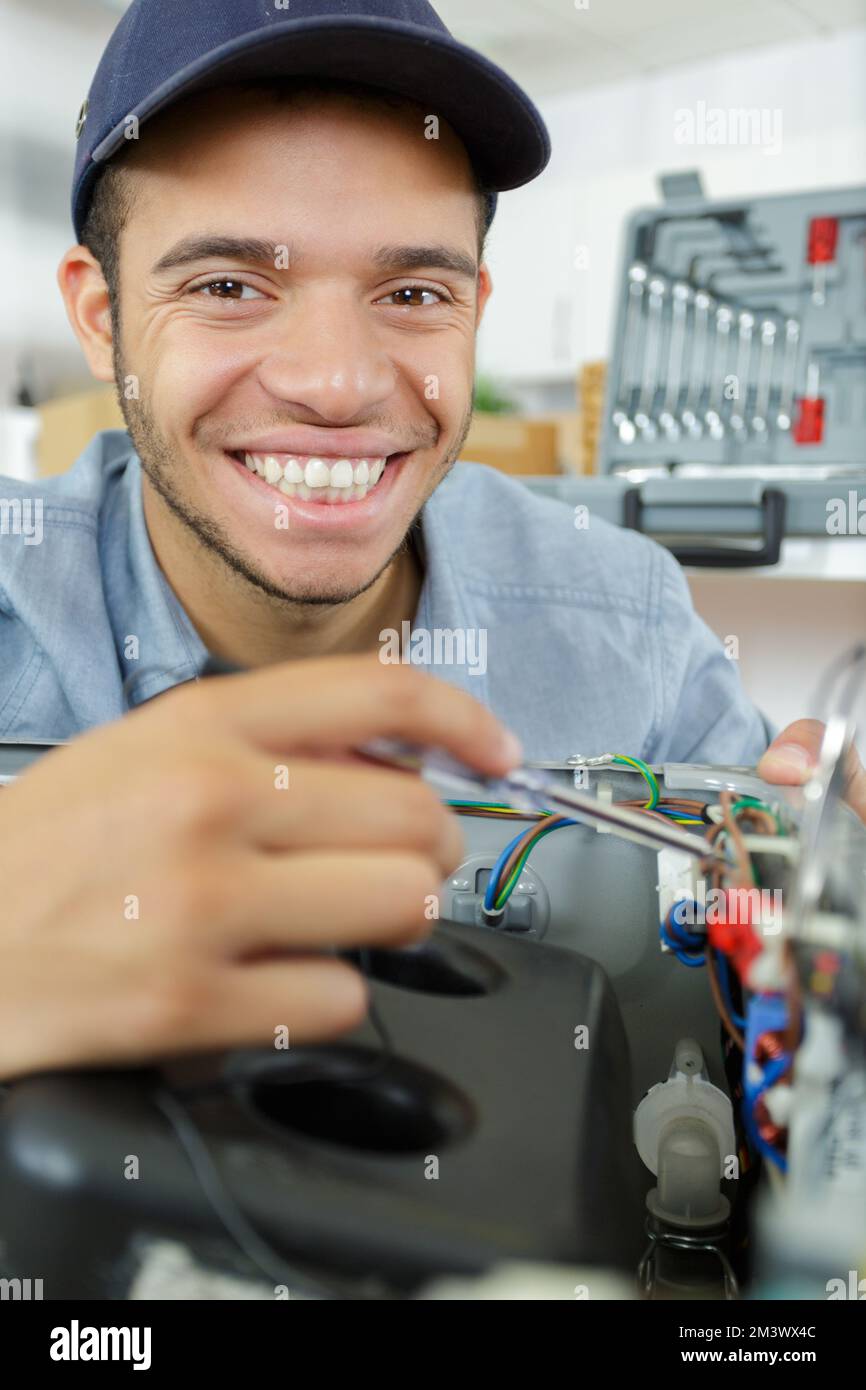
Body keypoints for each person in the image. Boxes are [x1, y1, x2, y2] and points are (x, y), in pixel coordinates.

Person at [0, 0, 862, 1080]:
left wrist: (830, 921)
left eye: (411, 291)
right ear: (99, 315)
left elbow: (779, 944)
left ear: (474, 307)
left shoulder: (623, 617)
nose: (337, 384)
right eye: (227, 287)